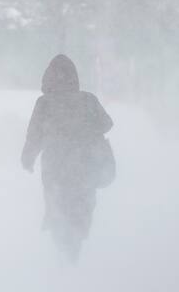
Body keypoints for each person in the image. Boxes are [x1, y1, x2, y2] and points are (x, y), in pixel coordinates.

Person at [21, 54, 113, 261]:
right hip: (84, 167)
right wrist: (85, 129)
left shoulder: (44, 103)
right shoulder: (88, 100)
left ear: (48, 79)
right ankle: (75, 244)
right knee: (81, 206)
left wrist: (27, 159)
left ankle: (62, 245)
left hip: (55, 168)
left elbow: (34, 135)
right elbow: (107, 124)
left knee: (57, 206)